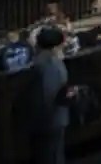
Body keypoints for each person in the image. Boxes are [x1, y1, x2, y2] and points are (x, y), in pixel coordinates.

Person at [27, 26, 74, 164]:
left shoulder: (39, 63)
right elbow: (50, 95)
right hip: (51, 120)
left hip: (45, 120)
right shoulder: (50, 64)